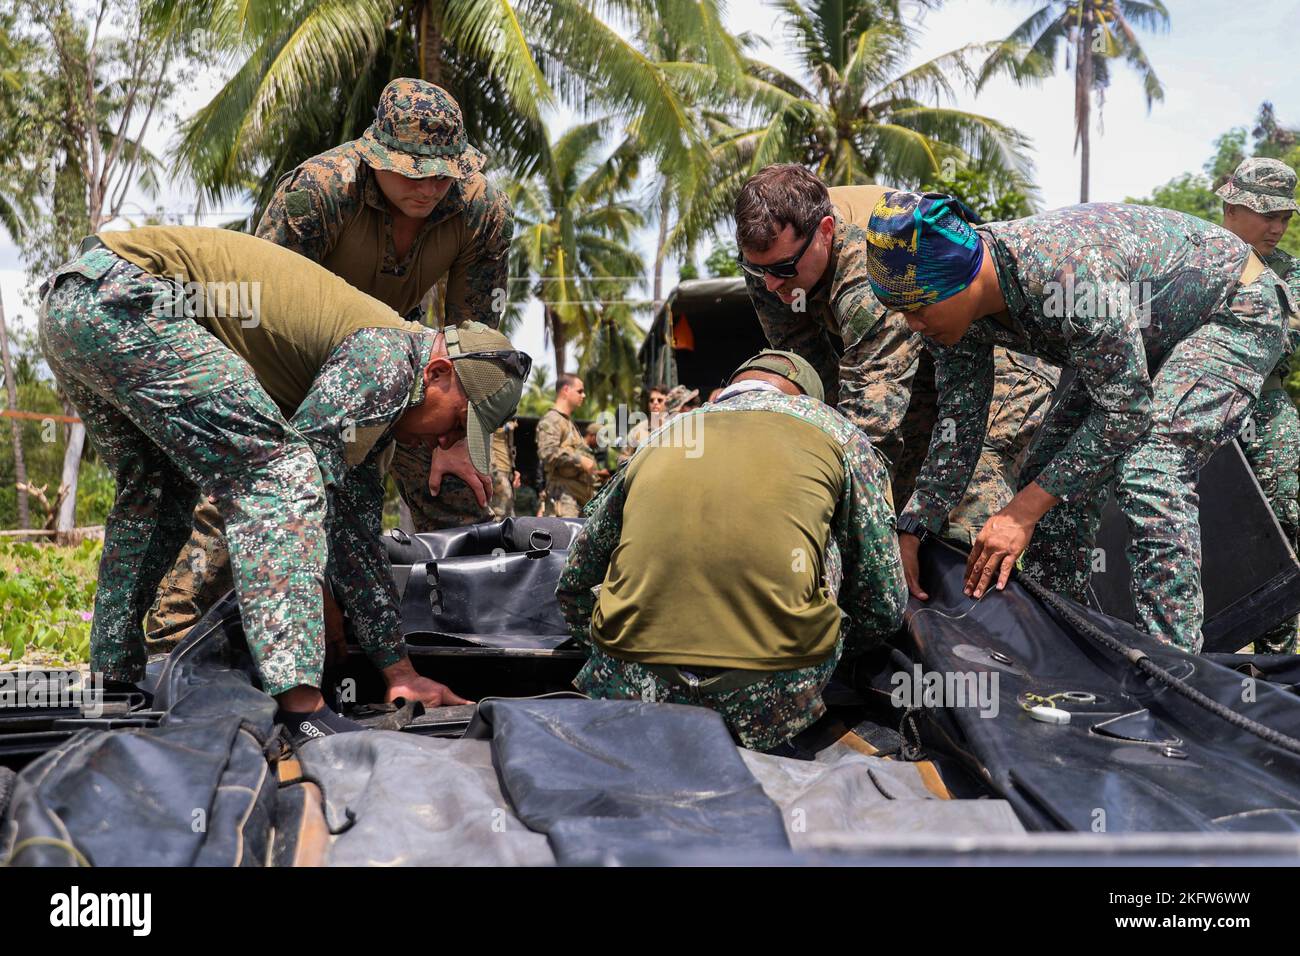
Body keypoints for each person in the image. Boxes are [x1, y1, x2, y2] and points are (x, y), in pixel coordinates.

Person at [39, 226, 528, 740]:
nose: (445, 441)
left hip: (77, 302)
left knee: (155, 497)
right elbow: (295, 488)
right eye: (456, 423)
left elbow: (353, 537)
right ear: (438, 373)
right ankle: (301, 710)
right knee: (280, 469)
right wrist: (316, 601)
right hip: (130, 298)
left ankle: (112, 683)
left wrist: (399, 673)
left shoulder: (376, 399)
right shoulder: (387, 359)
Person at [146, 78, 513, 649]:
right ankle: (174, 641)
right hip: (291, 365)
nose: (431, 186)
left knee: (466, 489)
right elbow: (257, 309)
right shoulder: (318, 193)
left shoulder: (480, 209)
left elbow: (474, 340)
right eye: (415, 171)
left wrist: (463, 436)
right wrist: (268, 436)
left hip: (401, 371)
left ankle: (468, 635)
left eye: (445, 172)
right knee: (260, 492)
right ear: (377, 155)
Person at [866, 192, 1289, 653]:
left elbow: (1126, 411)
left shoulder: (1065, 274)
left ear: (960, 278)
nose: (912, 324)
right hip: (1144, 335)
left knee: (1151, 470)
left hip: (1233, 308)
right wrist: (917, 523)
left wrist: (1020, 512)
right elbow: (960, 419)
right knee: (1047, 475)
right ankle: (1059, 651)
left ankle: (1173, 673)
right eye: (900, 310)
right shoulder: (951, 315)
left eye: (918, 307)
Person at [556, 350, 906, 753]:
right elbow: (882, 603)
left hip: (629, 683)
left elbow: (575, 581)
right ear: (805, 400)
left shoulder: (664, 434)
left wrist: (620, 654)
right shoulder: (839, 434)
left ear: (729, 390)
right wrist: (835, 657)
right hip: (774, 691)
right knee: (822, 529)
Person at [734, 164, 1059, 539]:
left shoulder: (870, 264)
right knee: (906, 504)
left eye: (785, 269)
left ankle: (973, 592)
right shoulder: (766, 261)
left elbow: (872, 422)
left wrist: (822, 515)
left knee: (969, 482)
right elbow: (811, 378)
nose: (772, 283)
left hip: (996, 351)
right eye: (759, 271)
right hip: (922, 363)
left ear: (825, 231)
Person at [1217, 158, 1300, 652]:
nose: (1276, 226)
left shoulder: (1288, 269)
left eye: (1285, 216)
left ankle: (1273, 665)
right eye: (1266, 213)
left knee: (1287, 514)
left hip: (1263, 404)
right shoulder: (1192, 254)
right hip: (1196, 401)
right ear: (1231, 207)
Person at [537, 374, 596, 517]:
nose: (584, 395)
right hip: (563, 501)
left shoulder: (568, 423)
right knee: (565, 539)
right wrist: (580, 460)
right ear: (566, 390)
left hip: (577, 500)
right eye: (579, 391)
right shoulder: (552, 420)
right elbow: (547, 452)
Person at [618, 383, 668, 465]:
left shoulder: (674, 426)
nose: (655, 403)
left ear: (667, 403)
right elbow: (622, 458)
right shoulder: (638, 429)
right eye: (651, 400)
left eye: (659, 400)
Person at [489, 422, 520, 519]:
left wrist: (513, 470)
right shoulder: (491, 410)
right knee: (497, 518)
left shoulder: (508, 413)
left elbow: (506, 445)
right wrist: (495, 475)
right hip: (496, 472)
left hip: (506, 472)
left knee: (509, 519)